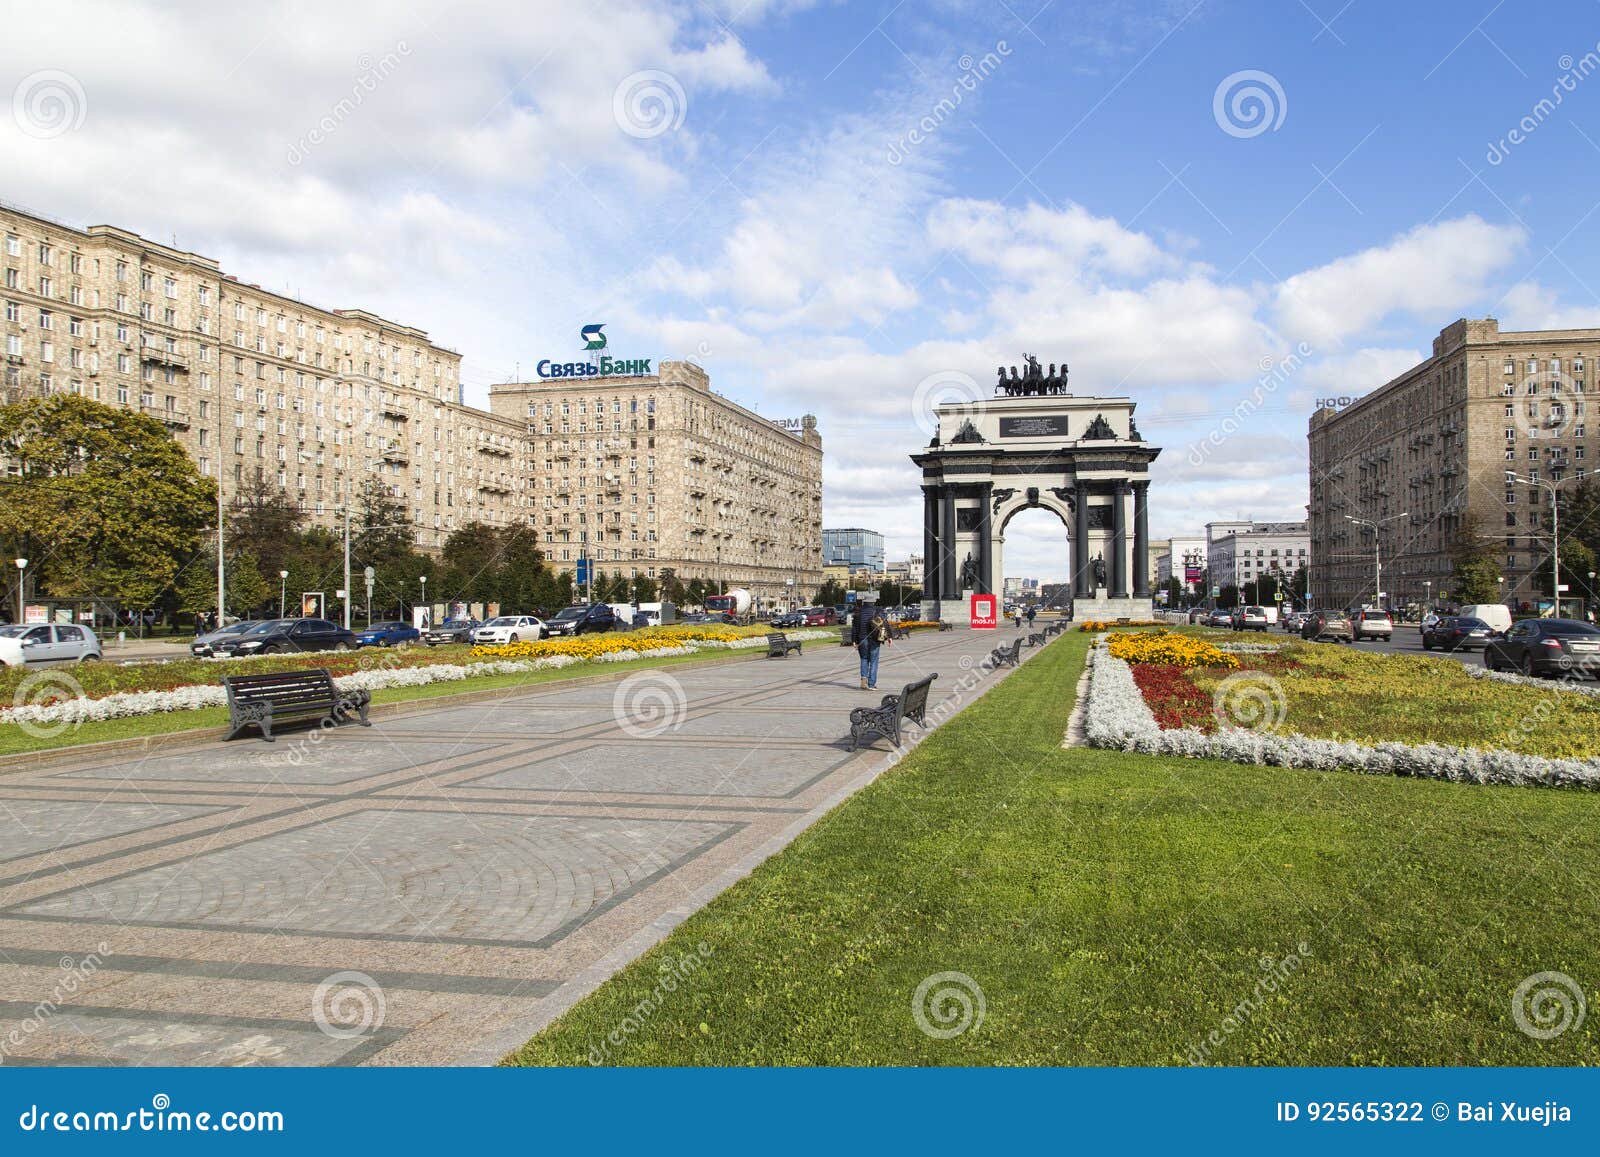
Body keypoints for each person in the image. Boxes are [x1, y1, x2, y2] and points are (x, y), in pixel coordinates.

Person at [853, 604, 889, 690]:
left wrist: (854, 640)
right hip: (875, 639)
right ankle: (871, 684)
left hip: (862, 639)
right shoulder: (878, 610)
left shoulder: (859, 612)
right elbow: (885, 624)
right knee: (874, 661)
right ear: (873, 601)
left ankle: (863, 682)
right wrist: (889, 637)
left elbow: (855, 628)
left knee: (864, 659)